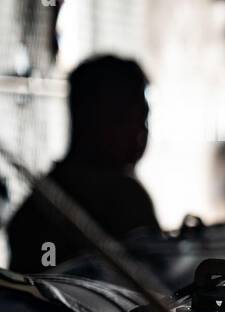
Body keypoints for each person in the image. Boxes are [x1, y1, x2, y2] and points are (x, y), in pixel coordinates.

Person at [6, 55, 159, 272]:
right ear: (91, 118)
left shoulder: (36, 207)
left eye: (143, 119)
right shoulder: (126, 199)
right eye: (127, 117)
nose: (141, 132)